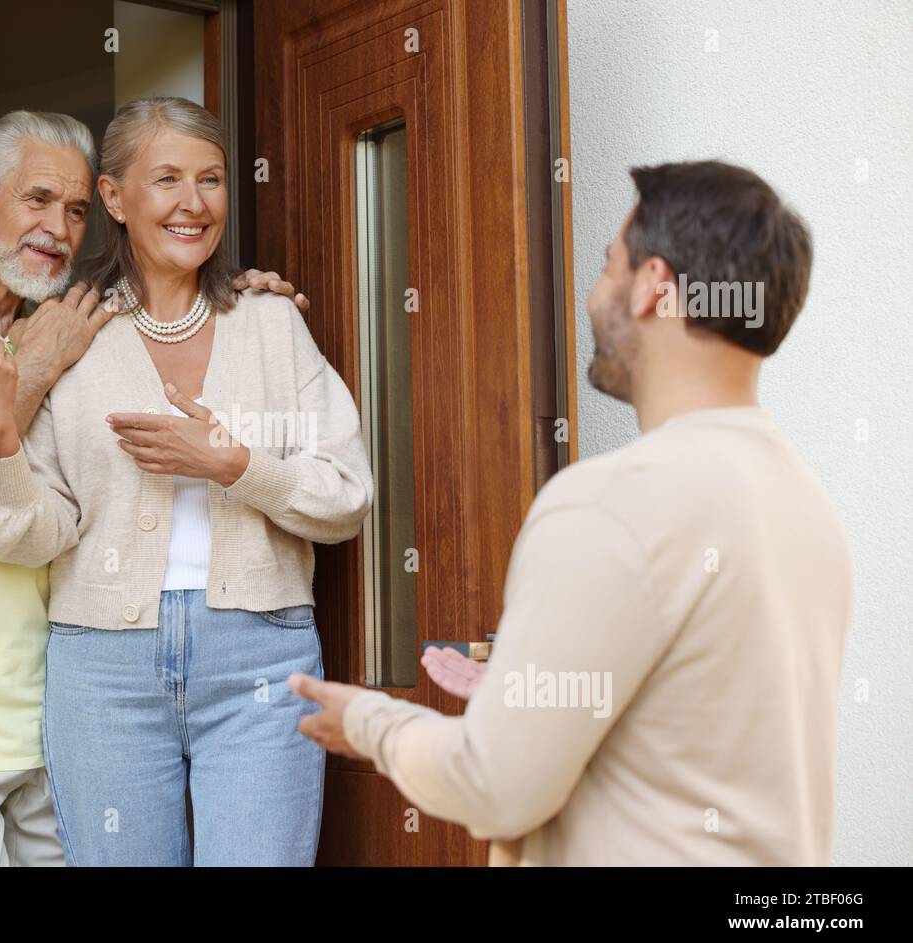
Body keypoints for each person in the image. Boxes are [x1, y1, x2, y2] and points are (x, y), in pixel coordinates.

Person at [294, 160, 852, 866]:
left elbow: (495, 786)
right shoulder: (807, 505)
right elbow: (700, 731)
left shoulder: (610, 503)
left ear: (654, 286)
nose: (593, 295)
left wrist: (371, 721)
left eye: (607, 265)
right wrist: (540, 685)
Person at [0, 108, 306, 866]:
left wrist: (247, 303)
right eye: (36, 200)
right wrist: (35, 365)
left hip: (71, 711)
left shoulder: (77, 317)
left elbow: (187, 327)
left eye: (74, 209)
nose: (57, 228)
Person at [0, 97, 373, 866]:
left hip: (261, 663)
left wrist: (233, 465)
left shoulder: (271, 324)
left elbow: (345, 496)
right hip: (103, 669)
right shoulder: (71, 332)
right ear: (114, 197)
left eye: (211, 179)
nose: (193, 203)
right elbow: (22, 536)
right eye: (166, 178)